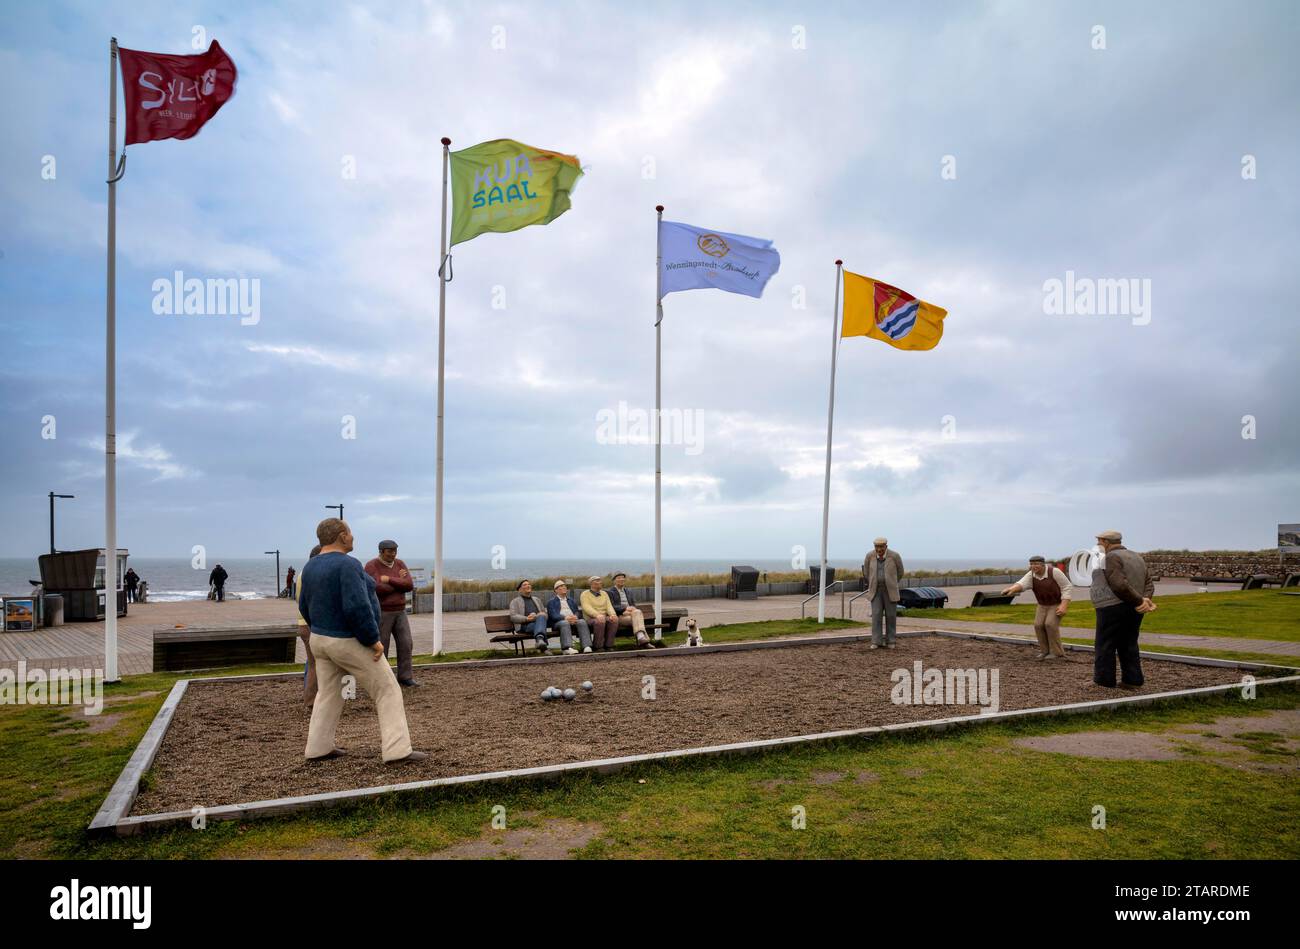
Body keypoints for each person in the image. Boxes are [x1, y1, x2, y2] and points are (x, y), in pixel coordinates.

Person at [299, 518, 426, 764]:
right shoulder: (348, 565)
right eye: (350, 532)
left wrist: (319, 629)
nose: (353, 537)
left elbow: (304, 604)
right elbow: (356, 607)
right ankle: (397, 751)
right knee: (387, 689)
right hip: (347, 640)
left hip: (320, 639)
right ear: (341, 536)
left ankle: (318, 747)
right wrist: (372, 640)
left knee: (329, 693)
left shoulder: (311, 566)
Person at [1089, 529, 1156, 688]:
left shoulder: (1111, 557)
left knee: (1105, 644)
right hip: (1135, 609)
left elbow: (1119, 584)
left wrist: (1139, 600)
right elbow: (1149, 583)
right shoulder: (1136, 556)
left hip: (1112, 607)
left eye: (1099, 541)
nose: (1098, 544)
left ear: (1106, 542)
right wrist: (1144, 601)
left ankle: (1104, 681)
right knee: (1129, 643)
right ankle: (1133, 680)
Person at [364, 540, 417, 688]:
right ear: (381, 551)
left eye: (395, 550)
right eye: (389, 551)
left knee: (406, 643)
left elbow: (409, 585)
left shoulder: (399, 563)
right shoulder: (371, 565)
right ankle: (382, 679)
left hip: (400, 611)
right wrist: (399, 582)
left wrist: (390, 580)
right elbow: (377, 587)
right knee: (382, 645)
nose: (393, 554)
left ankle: (405, 676)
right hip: (382, 611)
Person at [1001, 555, 1073, 659]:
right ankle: (1045, 651)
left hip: (1056, 603)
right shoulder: (1031, 575)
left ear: (1043, 565)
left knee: (1050, 624)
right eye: (1031, 564)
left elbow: (1067, 587)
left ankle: (1057, 653)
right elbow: (1022, 584)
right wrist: (1011, 589)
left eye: (1036, 564)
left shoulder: (1054, 572)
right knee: (1038, 625)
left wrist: (1064, 605)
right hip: (1042, 605)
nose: (1033, 566)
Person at [864, 537, 904, 649]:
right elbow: (866, 572)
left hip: (890, 590)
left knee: (891, 616)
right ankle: (876, 641)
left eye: (881, 546)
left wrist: (892, 582)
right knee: (876, 615)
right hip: (875, 590)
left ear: (886, 546)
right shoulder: (869, 556)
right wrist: (873, 581)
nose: (879, 549)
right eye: (877, 546)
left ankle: (891, 641)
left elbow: (900, 572)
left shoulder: (894, 556)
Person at [296, 545, 321, 709]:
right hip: (312, 624)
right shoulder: (311, 575)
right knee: (315, 664)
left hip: (305, 623)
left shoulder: (303, 573)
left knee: (312, 662)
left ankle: (312, 698)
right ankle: (311, 701)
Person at [609, 571, 655, 648]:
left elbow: (633, 605)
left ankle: (641, 638)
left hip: (631, 615)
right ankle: (644, 640)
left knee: (637, 612)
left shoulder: (628, 591)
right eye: (619, 578)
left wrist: (632, 609)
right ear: (614, 580)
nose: (621, 579)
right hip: (619, 617)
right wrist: (625, 609)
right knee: (637, 614)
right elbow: (611, 606)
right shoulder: (610, 592)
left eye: (623, 578)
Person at [546, 580, 592, 654]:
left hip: (573, 620)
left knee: (582, 622)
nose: (563, 587)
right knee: (565, 623)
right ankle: (567, 648)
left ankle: (586, 646)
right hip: (559, 623)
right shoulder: (551, 602)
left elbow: (577, 611)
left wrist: (575, 617)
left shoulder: (571, 600)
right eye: (560, 586)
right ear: (556, 590)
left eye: (564, 586)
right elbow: (553, 615)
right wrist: (565, 618)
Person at [509, 580, 554, 653]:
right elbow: (513, 617)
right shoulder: (515, 601)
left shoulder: (537, 599)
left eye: (529, 584)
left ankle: (540, 640)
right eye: (525, 584)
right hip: (524, 626)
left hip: (538, 623)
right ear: (519, 589)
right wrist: (527, 618)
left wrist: (539, 615)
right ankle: (544, 648)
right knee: (540, 624)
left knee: (541, 616)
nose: (528, 585)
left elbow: (545, 614)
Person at [580, 576, 622, 651]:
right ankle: (598, 646)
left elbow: (609, 606)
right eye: (598, 581)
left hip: (603, 617)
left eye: (600, 581)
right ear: (592, 583)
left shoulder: (604, 593)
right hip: (591, 618)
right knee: (600, 621)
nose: (600, 582)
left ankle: (609, 645)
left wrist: (613, 615)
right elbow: (586, 607)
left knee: (614, 620)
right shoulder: (585, 594)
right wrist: (597, 615)